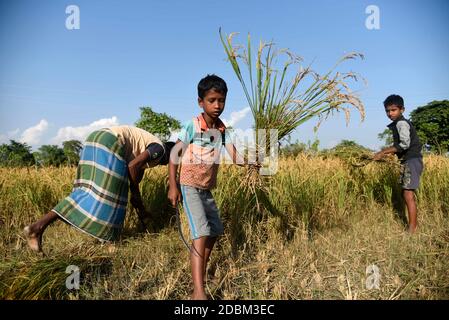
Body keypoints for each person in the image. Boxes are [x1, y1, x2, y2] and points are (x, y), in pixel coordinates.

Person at [24, 125, 175, 252]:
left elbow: (136, 172)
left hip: (95, 138)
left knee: (85, 193)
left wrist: (139, 205)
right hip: (110, 142)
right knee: (114, 197)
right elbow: (132, 167)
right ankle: (110, 242)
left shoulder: (147, 148)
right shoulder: (159, 149)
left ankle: (37, 227)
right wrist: (134, 193)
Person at [168, 74, 246, 300]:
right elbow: (174, 155)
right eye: (212, 100)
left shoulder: (223, 130)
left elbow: (235, 156)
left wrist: (251, 163)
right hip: (189, 185)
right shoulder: (193, 126)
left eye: (221, 100)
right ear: (200, 102)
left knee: (214, 232)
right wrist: (173, 186)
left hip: (206, 188)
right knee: (201, 233)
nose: (217, 105)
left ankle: (199, 273)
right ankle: (198, 291)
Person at [374, 94, 423, 233]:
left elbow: (404, 144)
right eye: (387, 111)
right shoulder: (397, 124)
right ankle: (412, 226)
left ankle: (412, 229)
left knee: (408, 194)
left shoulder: (401, 123)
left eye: (393, 110)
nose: (390, 113)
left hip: (412, 161)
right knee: (406, 193)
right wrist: (389, 154)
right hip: (407, 161)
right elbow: (399, 148)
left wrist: (383, 152)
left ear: (402, 109)